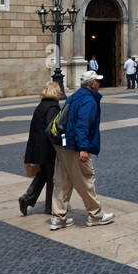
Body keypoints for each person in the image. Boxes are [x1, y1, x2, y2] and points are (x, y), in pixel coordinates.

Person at [50, 70, 114, 229]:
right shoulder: (88, 100)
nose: (99, 83)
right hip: (75, 146)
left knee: (62, 181)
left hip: (62, 144)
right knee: (86, 179)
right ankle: (96, 215)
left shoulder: (75, 96)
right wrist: (83, 148)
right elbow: (82, 126)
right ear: (91, 84)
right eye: (97, 81)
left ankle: (58, 217)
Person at [19, 81, 61, 216]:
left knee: (43, 174)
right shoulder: (53, 108)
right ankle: (50, 207)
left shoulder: (41, 106)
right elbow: (52, 129)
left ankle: (27, 198)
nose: (60, 92)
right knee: (52, 176)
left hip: (37, 147)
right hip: (47, 149)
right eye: (59, 90)